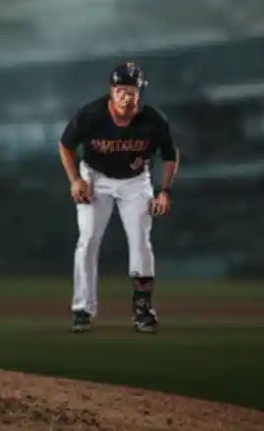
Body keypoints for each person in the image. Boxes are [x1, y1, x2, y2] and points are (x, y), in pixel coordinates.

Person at [57, 62, 179, 334]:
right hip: (95, 178)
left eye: (132, 90)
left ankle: (143, 308)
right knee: (88, 239)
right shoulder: (91, 115)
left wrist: (165, 190)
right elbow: (65, 145)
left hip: (135, 181)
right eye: (121, 90)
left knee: (141, 241)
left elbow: (170, 155)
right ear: (112, 92)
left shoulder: (154, 120)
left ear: (140, 93)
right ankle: (82, 308)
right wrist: (76, 180)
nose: (127, 96)